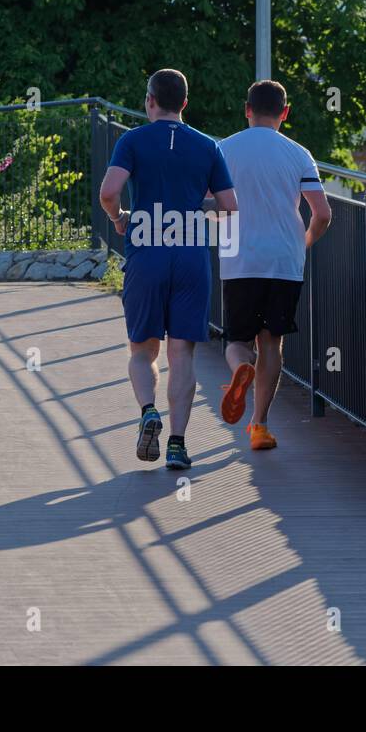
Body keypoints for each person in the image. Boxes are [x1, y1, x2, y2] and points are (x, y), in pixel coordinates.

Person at [98, 69, 238, 470]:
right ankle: (177, 444)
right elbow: (230, 207)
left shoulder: (133, 141)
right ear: (185, 104)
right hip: (191, 256)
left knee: (142, 351)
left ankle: (148, 413)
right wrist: (200, 207)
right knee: (182, 353)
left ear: (149, 101)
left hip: (147, 252)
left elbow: (108, 192)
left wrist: (119, 217)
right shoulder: (208, 146)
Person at [216, 80, 332, 450]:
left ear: (246, 109)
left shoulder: (221, 150)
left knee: (236, 340)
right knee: (271, 341)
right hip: (284, 259)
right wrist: (304, 244)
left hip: (240, 258)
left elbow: (208, 205)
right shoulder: (299, 154)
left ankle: (239, 371)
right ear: (285, 113)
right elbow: (323, 213)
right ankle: (260, 427)